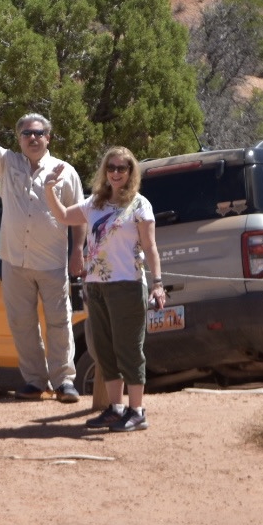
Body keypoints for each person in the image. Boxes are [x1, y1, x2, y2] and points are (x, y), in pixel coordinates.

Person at [0, 71, 85, 402]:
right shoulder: (6, 163)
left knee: (59, 323)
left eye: (38, 133)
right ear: (18, 139)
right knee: (22, 323)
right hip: (14, 260)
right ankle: (35, 380)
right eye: (26, 133)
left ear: (49, 137)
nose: (32, 138)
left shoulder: (65, 171)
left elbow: (79, 215)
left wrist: (79, 252)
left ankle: (64, 382)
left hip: (51, 261)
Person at [44, 147, 165, 431]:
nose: (116, 173)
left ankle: (137, 411)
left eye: (122, 168)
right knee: (104, 349)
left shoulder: (139, 205)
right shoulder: (95, 204)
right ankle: (115, 408)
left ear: (131, 172)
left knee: (129, 349)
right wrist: (50, 187)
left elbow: (150, 247)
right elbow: (62, 216)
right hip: (96, 285)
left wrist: (158, 283)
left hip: (128, 283)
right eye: (111, 167)